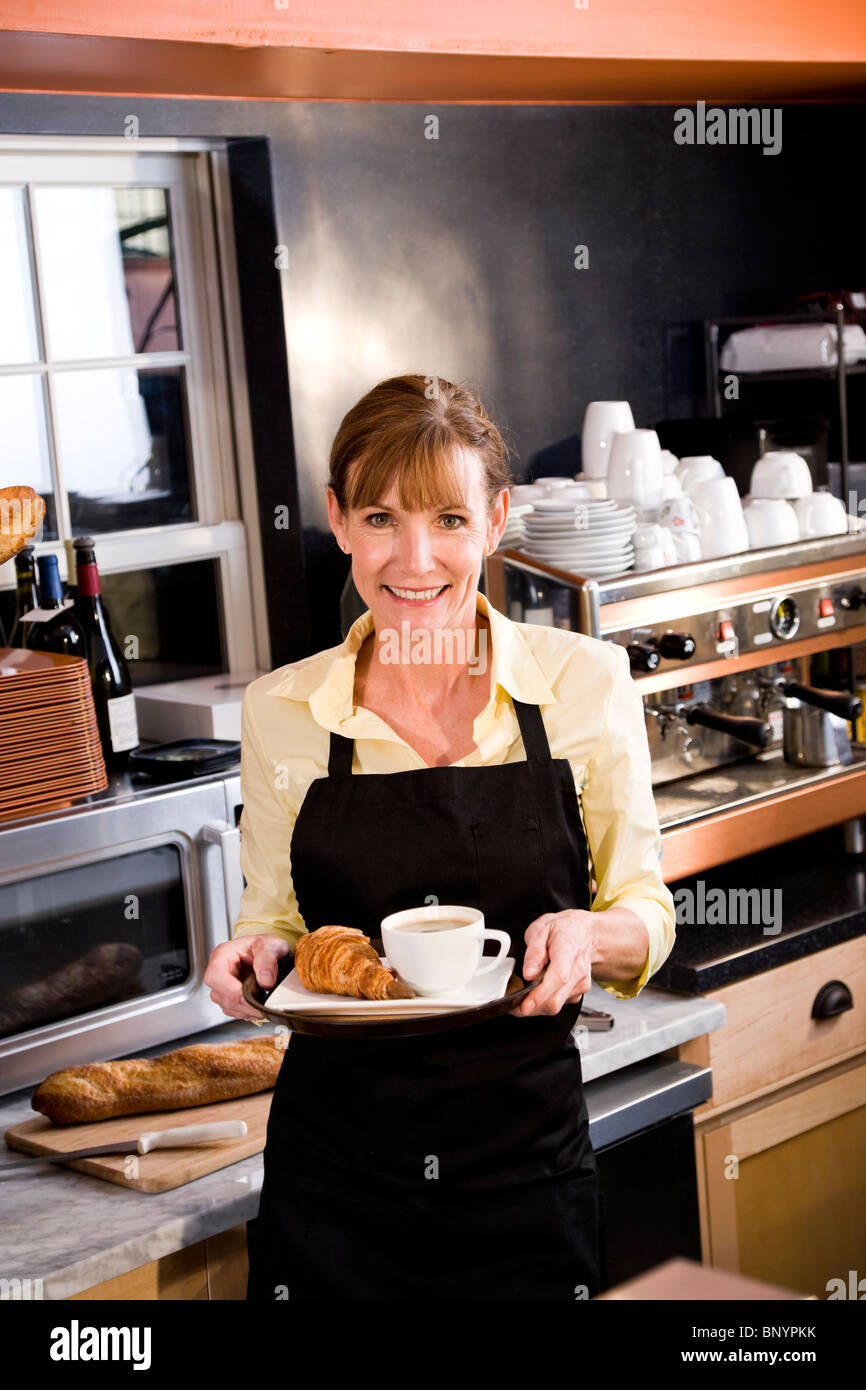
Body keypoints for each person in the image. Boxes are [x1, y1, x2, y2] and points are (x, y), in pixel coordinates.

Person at [204, 374, 676, 1301]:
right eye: (381, 518)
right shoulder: (282, 710)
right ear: (337, 521)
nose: (413, 560)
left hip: (524, 1178)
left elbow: (645, 913)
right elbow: (277, 921)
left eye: (448, 520)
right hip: (333, 1187)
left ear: (496, 520)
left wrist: (587, 934)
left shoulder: (586, 682)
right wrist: (253, 955)